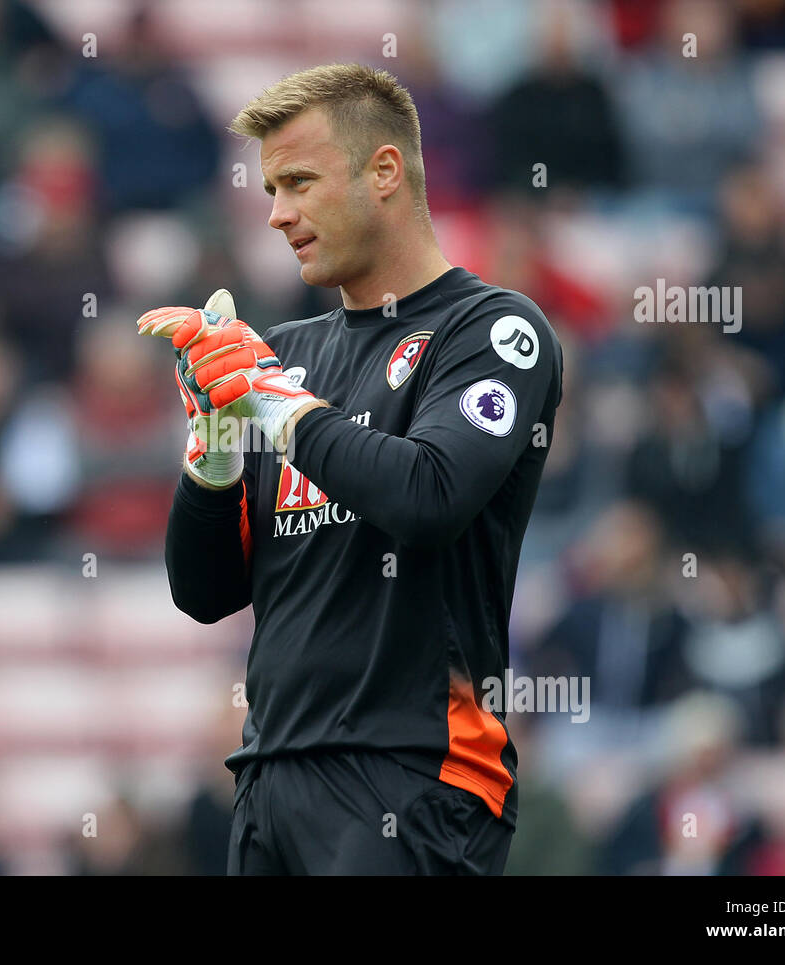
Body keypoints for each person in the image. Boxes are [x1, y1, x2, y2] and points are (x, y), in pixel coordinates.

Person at [141, 65, 563, 874]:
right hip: (268, 774)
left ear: (384, 172)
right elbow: (205, 592)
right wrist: (214, 452)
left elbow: (428, 493)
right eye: (269, 189)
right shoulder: (289, 355)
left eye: (298, 181)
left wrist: (268, 402)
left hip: (411, 773)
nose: (277, 214)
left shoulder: (493, 329)